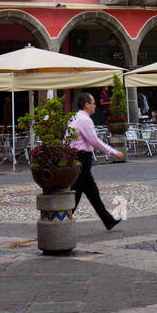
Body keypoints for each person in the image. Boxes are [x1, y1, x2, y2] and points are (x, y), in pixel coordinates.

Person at [68, 92, 125, 230]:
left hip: (78, 156)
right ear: (86, 105)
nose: (95, 106)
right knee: (76, 191)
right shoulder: (85, 120)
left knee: (92, 192)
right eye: (93, 103)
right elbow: (95, 141)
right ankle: (64, 218)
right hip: (82, 157)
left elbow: (67, 138)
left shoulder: (75, 117)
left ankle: (108, 220)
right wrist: (113, 152)